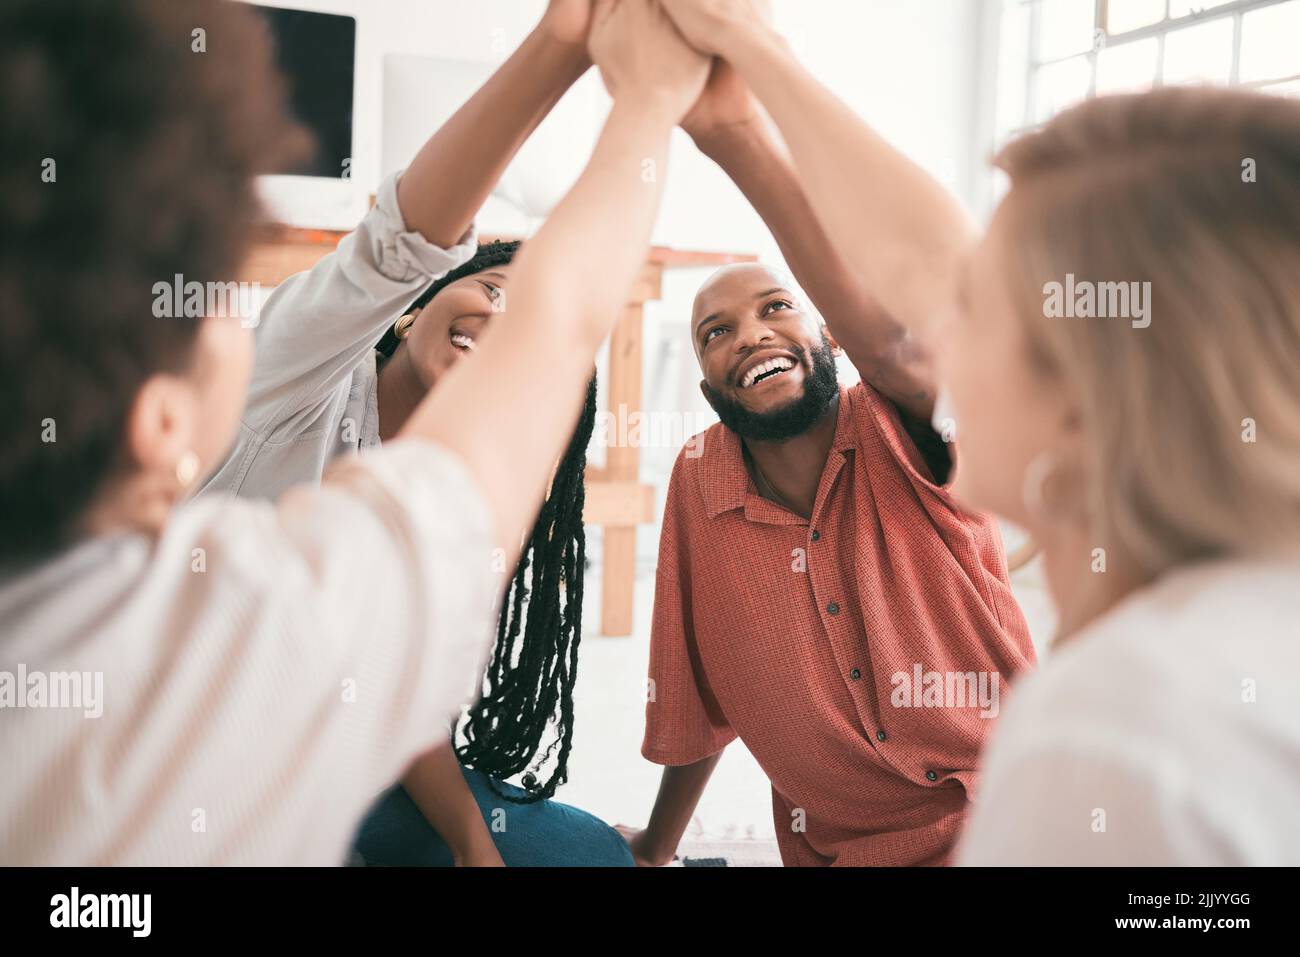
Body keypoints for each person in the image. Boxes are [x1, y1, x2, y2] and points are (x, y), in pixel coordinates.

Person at [0, 0, 709, 865]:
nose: (241, 318)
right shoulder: (274, 591)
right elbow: (533, 324)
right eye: (215, 305)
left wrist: (564, 41)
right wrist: (651, 100)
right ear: (159, 425)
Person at [659, 0, 1300, 865]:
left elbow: (901, 319)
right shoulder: (1217, 649)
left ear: (1078, 400)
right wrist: (741, 84)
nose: (939, 342)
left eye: (983, 312)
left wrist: (746, 74)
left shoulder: (1116, 743)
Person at [201, 4, 625, 866]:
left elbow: (398, 691)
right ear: (413, 310)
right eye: (496, 291)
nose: (505, 327)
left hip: (326, 770)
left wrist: (478, 847)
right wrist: (565, 44)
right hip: (188, 765)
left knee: (587, 856)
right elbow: (396, 246)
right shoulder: (294, 378)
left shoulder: (460, 490)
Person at [617, 51, 1036, 866]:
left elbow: (893, 343)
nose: (752, 336)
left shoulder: (902, 420)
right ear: (706, 387)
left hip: (1010, 821)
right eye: (717, 333)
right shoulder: (700, 478)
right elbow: (701, 698)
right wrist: (655, 849)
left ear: (826, 338)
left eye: (777, 309)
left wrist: (733, 132)